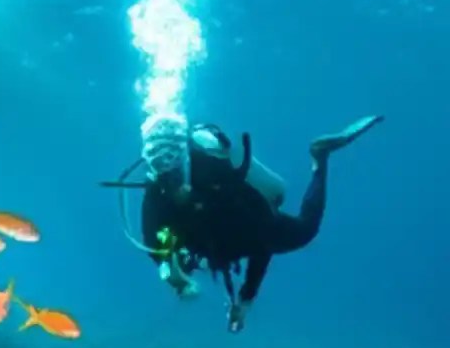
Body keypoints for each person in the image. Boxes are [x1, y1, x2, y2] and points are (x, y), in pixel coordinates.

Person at [135, 114, 383, 333]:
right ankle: (320, 158)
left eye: (176, 174)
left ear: (186, 161)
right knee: (190, 261)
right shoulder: (156, 194)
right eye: (164, 177)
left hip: (245, 229)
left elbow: (262, 240)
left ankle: (320, 157)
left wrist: (246, 299)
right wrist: (177, 281)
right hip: (213, 243)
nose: (173, 184)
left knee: (306, 230)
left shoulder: (218, 177)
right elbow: (155, 250)